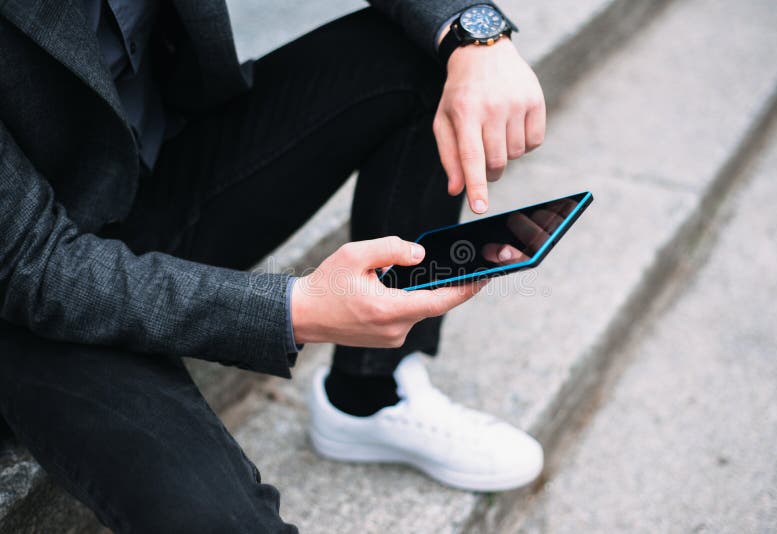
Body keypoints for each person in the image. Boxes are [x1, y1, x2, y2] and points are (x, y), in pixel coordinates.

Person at [0, 1, 546, 531]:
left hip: (145, 178)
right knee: (225, 521)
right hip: (30, 293)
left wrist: (473, 34)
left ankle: (370, 395)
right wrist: (292, 309)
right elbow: (34, 264)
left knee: (429, 55)